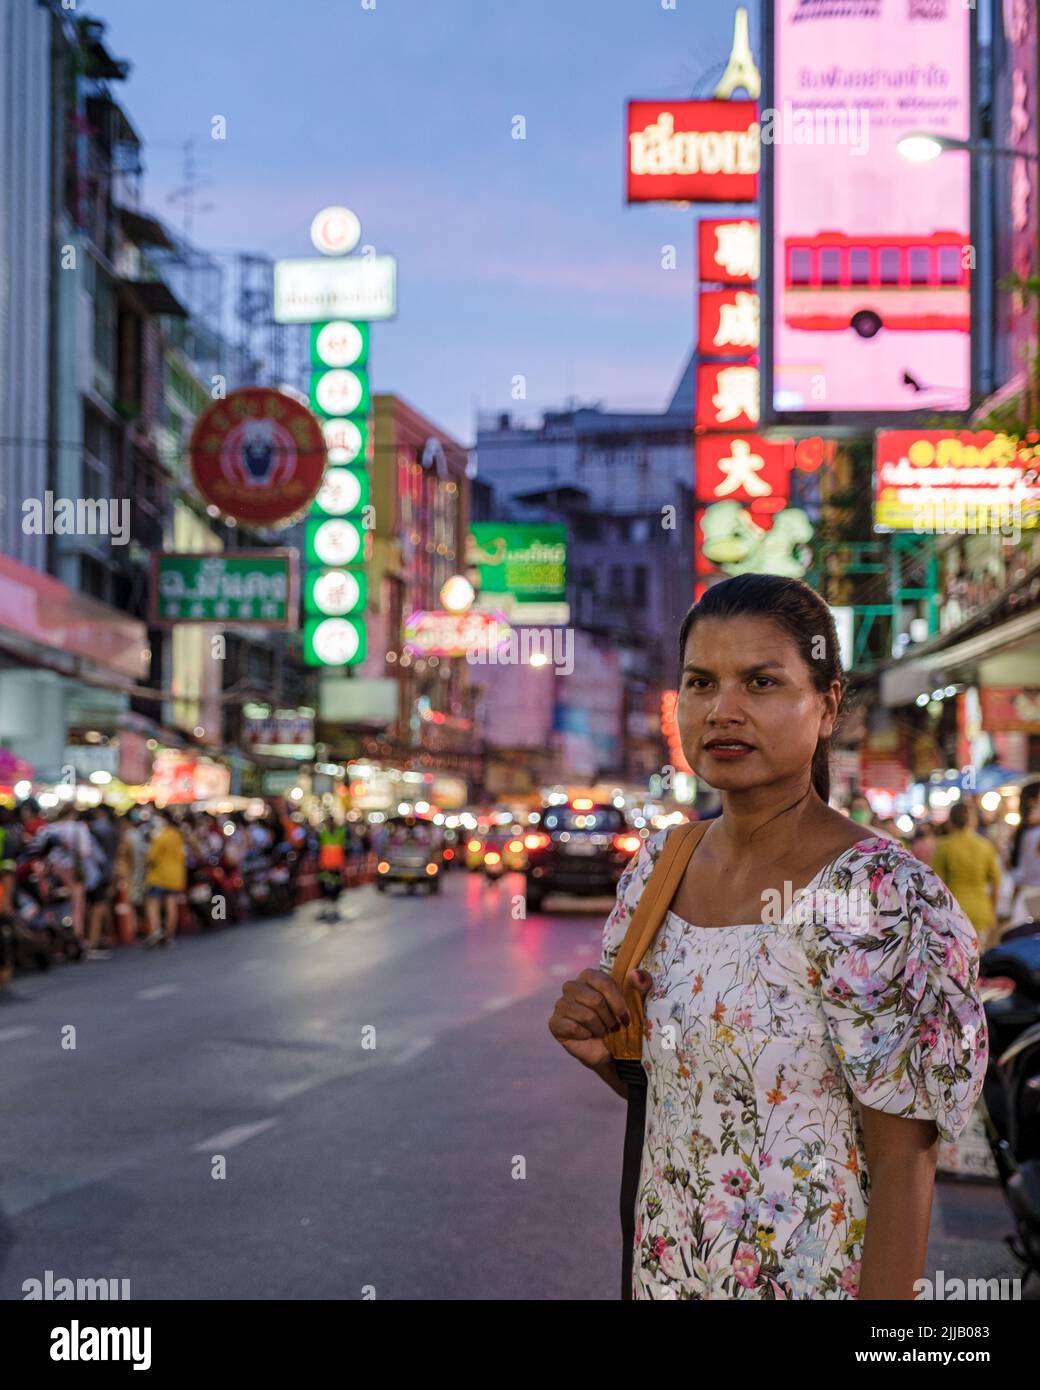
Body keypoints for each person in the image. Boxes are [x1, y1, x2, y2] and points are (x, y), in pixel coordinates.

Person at [548, 573, 987, 1301]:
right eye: (700, 682)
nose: (724, 711)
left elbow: (906, 1166)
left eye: (761, 682)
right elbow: (687, 1103)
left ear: (828, 704)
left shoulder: (878, 897)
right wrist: (606, 1052)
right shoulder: (659, 867)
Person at [932, 801, 1002, 948]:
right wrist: (992, 911)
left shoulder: (944, 846)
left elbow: (936, 884)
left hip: (955, 913)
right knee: (979, 960)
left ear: (950, 822)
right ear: (972, 820)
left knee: (959, 965)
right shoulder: (985, 845)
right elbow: (996, 882)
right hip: (981, 911)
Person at [143, 812, 186, 948]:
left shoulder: (160, 836)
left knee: (153, 905)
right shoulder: (177, 835)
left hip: (158, 876)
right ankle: (169, 935)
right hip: (175, 877)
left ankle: (156, 932)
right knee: (171, 905)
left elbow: (151, 857)